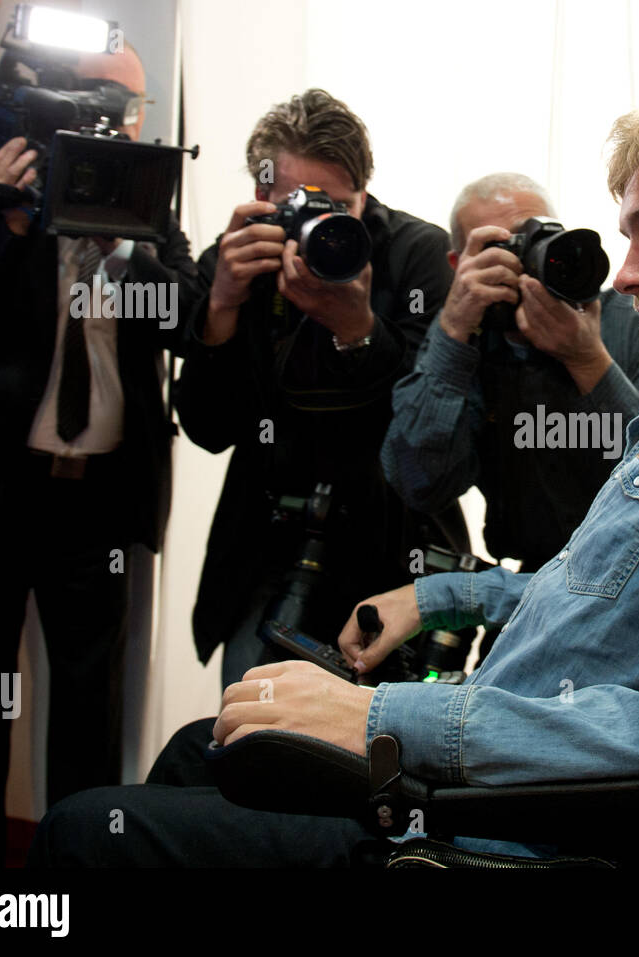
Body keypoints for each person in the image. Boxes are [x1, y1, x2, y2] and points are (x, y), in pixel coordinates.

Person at [30, 81, 639, 866]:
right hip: (489, 763)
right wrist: (446, 597)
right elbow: (602, 592)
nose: (628, 269)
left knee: (82, 828)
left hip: (499, 828)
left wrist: (382, 720)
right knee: (203, 745)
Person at [0, 45, 201, 866]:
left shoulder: (152, 211)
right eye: (85, 102)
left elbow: (185, 322)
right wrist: (1, 219)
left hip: (97, 504)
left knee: (90, 710)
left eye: (125, 107)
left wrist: (120, 240)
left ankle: (74, 878)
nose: (106, 121)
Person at [173, 89, 465, 689]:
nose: (319, 224)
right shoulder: (233, 262)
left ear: (366, 192)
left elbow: (428, 424)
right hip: (266, 544)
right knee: (252, 735)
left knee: (386, 751)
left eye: (338, 205)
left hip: (392, 540)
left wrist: (356, 328)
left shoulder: (416, 255)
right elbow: (206, 429)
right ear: (261, 198)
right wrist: (221, 305)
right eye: (297, 205)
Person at [381, 172, 639, 580]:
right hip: (525, 582)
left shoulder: (631, 323)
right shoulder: (468, 347)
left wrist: (588, 360)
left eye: (542, 239)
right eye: (505, 247)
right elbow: (420, 482)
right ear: (459, 263)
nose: (530, 261)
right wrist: (453, 329)